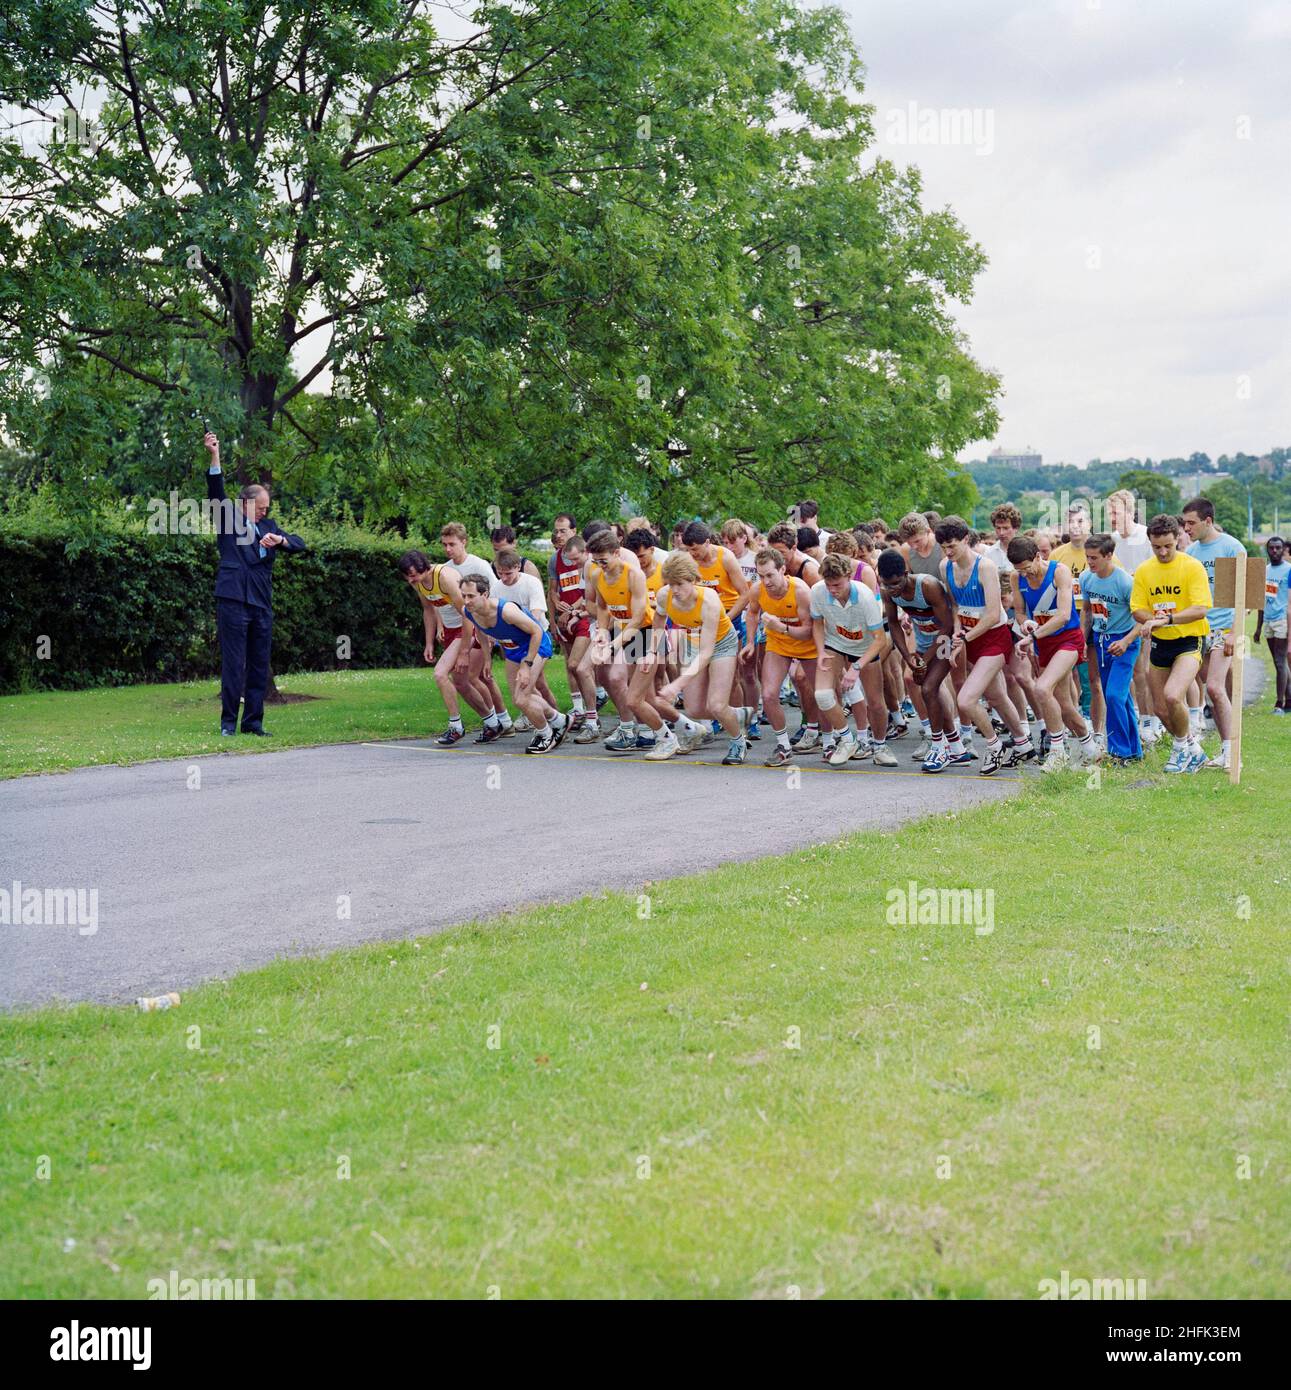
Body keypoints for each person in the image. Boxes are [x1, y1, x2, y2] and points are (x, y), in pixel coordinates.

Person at [203, 430, 305, 737]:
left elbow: (300, 543)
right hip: (233, 602)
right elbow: (215, 490)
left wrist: (281, 540)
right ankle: (227, 725)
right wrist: (214, 455)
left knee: (259, 665)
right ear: (246, 504)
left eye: (267, 507)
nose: (265, 511)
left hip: (261, 604)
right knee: (234, 665)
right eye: (261, 507)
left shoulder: (270, 527)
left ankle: (253, 724)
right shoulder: (228, 519)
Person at [935, 518, 1033, 775]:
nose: (948, 552)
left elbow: (991, 614)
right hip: (970, 636)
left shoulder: (985, 566)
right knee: (997, 696)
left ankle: (994, 746)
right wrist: (958, 633)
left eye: (952, 546)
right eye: (944, 547)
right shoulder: (946, 565)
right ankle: (1023, 743)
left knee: (966, 700)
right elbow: (956, 606)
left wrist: (964, 639)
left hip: (994, 637)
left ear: (966, 539)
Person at [646, 552, 751, 764]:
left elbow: (706, 653)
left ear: (694, 580)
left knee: (717, 705)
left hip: (721, 643)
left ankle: (737, 741)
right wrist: (652, 652)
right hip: (693, 640)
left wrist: (675, 686)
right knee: (694, 708)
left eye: (680, 584)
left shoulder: (709, 601)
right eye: (671, 584)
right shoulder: (665, 595)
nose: (675, 590)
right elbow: (658, 620)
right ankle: (737, 715)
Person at [1008, 535, 1100, 770]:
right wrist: (1026, 623)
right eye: (1020, 571)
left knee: (1041, 688)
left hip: (1068, 640)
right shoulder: (1016, 577)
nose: (1025, 574)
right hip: (1043, 643)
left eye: (1028, 568)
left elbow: (1063, 616)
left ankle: (1057, 751)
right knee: (1063, 703)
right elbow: (1019, 612)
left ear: (1038, 556)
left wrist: (1032, 636)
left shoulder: (1059, 572)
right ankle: (1090, 746)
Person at [1129, 514, 1212, 774]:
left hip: (1189, 639)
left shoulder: (1192, 566)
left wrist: (1167, 619)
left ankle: (1179, 749)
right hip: (1160, 644)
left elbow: (1200, 609)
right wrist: (1151, 621)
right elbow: (1137, 609)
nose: (1163, 551)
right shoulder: (1145, 570)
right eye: (1157, 547)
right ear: (1150, 543)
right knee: (1160, 709)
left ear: (1178, 538)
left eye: (1168, 545)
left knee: (1173, 695)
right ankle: (1194, 750)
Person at [877, 548, 969, 772]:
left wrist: (924, 660)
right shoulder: (888, 591)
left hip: (947, 641)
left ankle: (939, 746)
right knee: (932, 693)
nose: (893, 589)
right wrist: (908, 657)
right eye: (887, 584)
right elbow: (893, 623)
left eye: (897, 583)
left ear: (906, 572)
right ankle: (957, 748)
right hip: (923, 643)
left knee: (928, 689)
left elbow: (947, 626)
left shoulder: (927, 586)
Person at [460, 574, 568, 753]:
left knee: (521, 698)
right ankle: (560, 721)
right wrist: (487, 659)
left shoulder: (506, 610)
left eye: (471, 596)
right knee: (522, 697)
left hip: (536, 644)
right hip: (512, 650)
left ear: (485, 594)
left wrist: (527, 665)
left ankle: (546, 734)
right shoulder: (468, 611)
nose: (466, 600)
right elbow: (480, 632)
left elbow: (536, 631)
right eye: (463, 595)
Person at [399, 548, 497, 744]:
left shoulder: (444, 577)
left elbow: (468, 612)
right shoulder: (419, 583)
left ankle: (455, 727)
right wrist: (428, 643)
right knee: (461, 683)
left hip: (468, 627)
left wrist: (464, 651)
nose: (411, 580)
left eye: (413, 575)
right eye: (407, 577)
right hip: (452, 631)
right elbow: (428, 610)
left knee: (440, 673)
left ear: (424, 568)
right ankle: (493, 723)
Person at [809, 553, 895, 767]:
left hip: (866, 646)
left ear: (849, 577)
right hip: (835, 643)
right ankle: (847, 740)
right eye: (828, 584)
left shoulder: (865, 596)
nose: (832, 590)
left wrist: (856, 668)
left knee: (875, 702)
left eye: (837, 584)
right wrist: (820, 651)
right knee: (822, 695)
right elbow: (818, 623)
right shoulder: (818, 591)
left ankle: (880, 746)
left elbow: (880, 640)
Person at [1181, 497, 1247, 769]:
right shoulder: (1192, 554)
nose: (1186, 528)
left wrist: (1235, 632)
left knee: (1216, 689)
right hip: (1201, 630)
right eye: (1184, 523)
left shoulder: (1232, 548)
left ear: (1207, 521)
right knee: (1212, 691)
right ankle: (1226, 749)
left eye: (1191, 523)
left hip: (1225, 627)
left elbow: (1246, 595)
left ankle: (1234, 754)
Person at [586, 528, 662, 752]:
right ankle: (634, 730)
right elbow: (601, 606)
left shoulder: (633, 575)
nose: (600, 565)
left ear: (617, 553)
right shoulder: (597, 575)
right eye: (596, 561)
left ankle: (668, 730)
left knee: (630, 684)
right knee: (626, 683)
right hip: (622, 628)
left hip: (645, 630)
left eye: (604, 560)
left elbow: (638, 618)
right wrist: (601, 631)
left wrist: (613, 645)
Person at [741, 548, 819, 766]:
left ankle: (834, 740)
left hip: (807, 646)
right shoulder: (757, 590)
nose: (765, 581)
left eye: (769, 575)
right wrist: (749, 642)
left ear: (783, 570)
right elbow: (752, 612)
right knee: (768, 695)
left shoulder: (801, 591)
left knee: (823, 695)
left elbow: (809, 631)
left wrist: (781, 627)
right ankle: (784, 747)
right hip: (779, 645)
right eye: (760, 575)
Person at [441, 523, 514, 738]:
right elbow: (442, 603)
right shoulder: (446, 569)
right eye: (444, 544)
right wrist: (439, 626)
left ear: (464, 542)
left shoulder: (479, 565)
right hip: (459, 629)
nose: (447, 549)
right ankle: (502, 721)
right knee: (479, 678)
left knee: (473, 677)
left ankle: (499, 721)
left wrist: (492, 631)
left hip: (481, 626)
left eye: (452, 544)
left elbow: (495, 594)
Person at [1080, 533, 1143, 762]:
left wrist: (1125, 642)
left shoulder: (1125, 582)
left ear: (1109, 556)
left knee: (1114, 695)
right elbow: (1086, 611)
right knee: (1120, 698)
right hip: (1101, 640)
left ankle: (1119, 752)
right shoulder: (1087, 578)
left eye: (1095, 557)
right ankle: (1135, 750)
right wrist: (1081, 640)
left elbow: (1142, 619)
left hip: (1125, 641)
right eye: (1087, 557)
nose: (1090, 562)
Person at [1108, 488, 1158, 747]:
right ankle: (1136, 716)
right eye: (1109, 513)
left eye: (1115, 512)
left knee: (1143, 668)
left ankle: (1151, 721)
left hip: (1144, 609)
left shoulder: (1146, 537)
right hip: (1119, 611)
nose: (1112, 518)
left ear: (1129, 511)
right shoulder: (1111, 540)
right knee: (1126, 668)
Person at [1254, 536, 1290, 712]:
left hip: (1282, 620)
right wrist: (1258, 628)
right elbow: (1262, 600)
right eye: (1271, 548)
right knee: (1278, 663)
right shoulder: (1265, 571)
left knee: (1280, 661)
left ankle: (1279, 703)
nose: (1274, 551)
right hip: (1268, 620)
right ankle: (1289, 700)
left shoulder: (1289, 570)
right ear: (1267, 550)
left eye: (1278, 548)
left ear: (1283, 550)